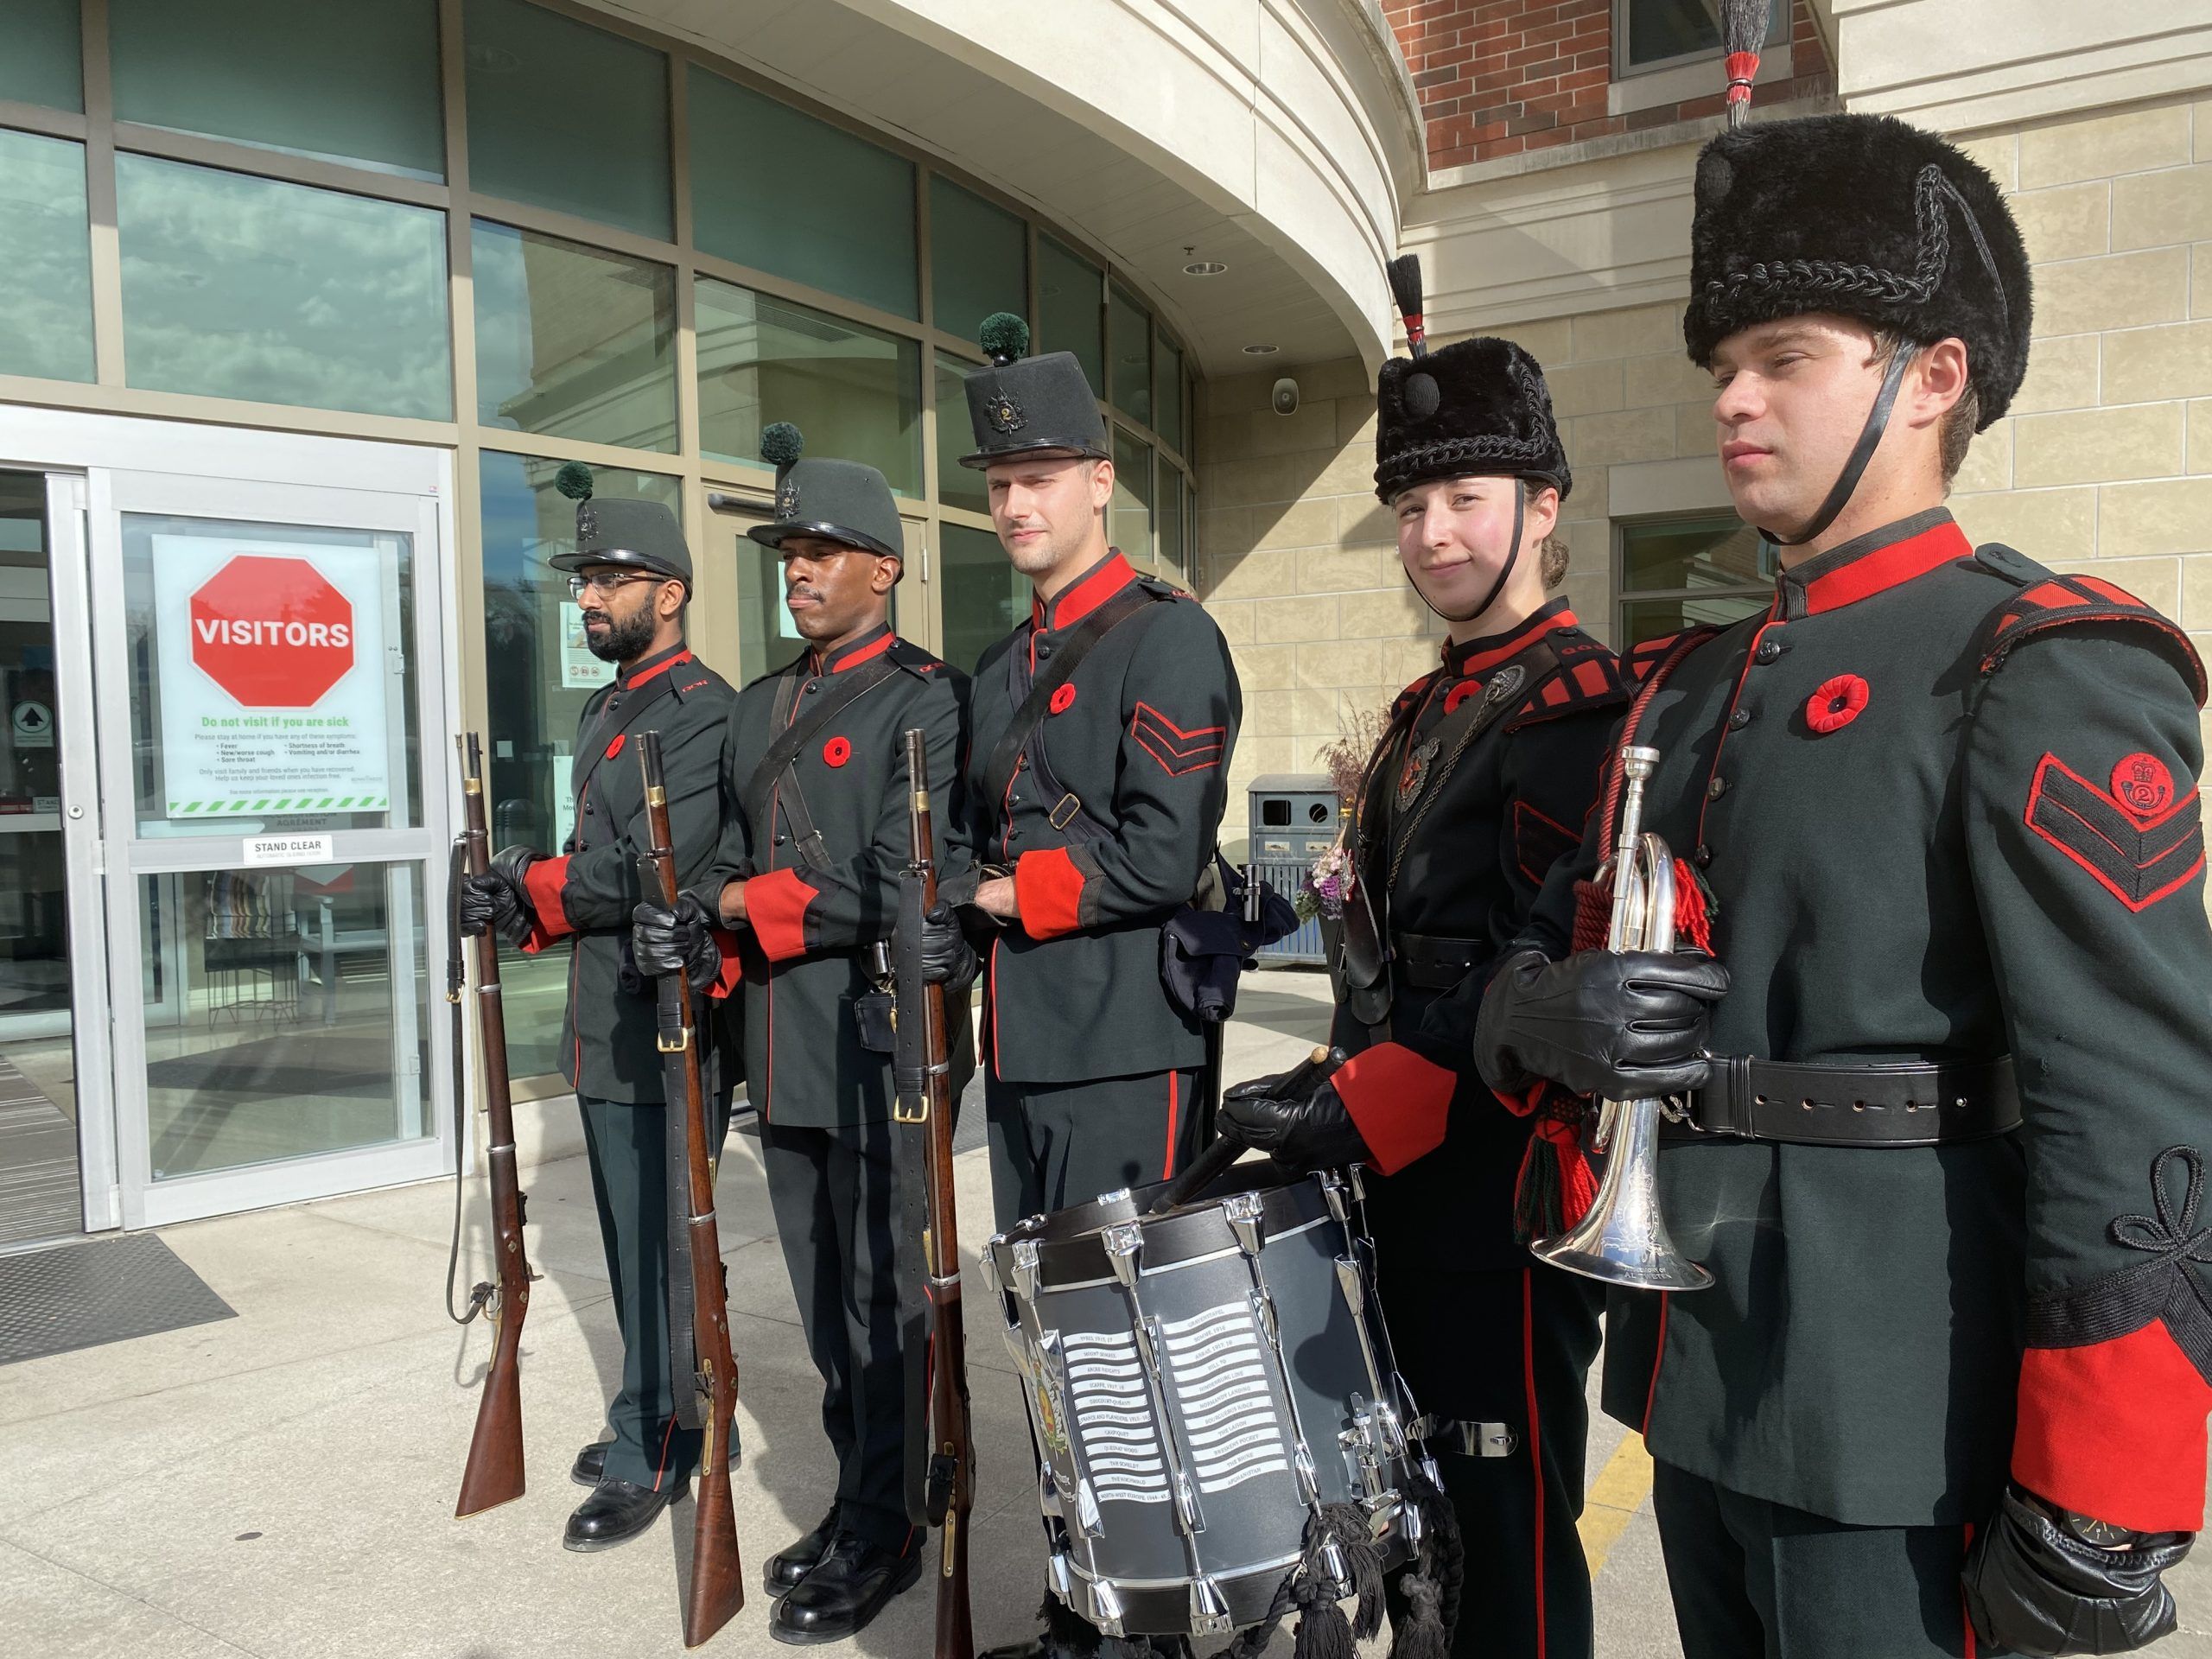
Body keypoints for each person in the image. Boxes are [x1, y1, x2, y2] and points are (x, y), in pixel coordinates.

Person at [1472, 110, 2210, 1658]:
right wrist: (1550, 1013)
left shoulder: (2033, 661)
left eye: (1786, 356)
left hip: (1901, 1401)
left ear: (1933, 376)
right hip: (1693, 1371)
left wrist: (2100, 1500)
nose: (1733, 399)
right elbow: (1539, 955)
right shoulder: (1683, 688)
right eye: (1721, 362)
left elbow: (2142, 1105)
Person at [1217, 270, 1631, 1659]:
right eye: (1411, 506)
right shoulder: (1433, 704)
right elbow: (1394, 949)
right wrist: (1330, 1083)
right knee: (1416, 1528)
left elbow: (1534, 965)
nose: (1434, 532)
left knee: (1504, 1539)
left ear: (1545, 506)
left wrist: (1369, 1099)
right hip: (1398, 1175)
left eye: (1466, 497)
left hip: (1495, 1198)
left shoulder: (1573, 707)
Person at [632, 425, 972, 1642]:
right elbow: (719, 851)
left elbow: (897, 881)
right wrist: (697, 917)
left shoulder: (928, 697)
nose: (799, 570)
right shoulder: (762, 703)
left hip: (874, 1051)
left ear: (884, 567)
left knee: (885, 1306)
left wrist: (737, 906)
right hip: (779, 1053)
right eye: (789, 553)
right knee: (826, 1309)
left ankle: (889, 1525)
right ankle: (860, 1496)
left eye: (824, 551)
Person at [941, 314, 1240, 1659]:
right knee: (1059, 1349)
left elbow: (1163, 851)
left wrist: (1011, 891)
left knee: (1144, 1347)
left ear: (1100, 481)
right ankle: (1086, 1603)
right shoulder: (1003, 665)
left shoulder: (1164, 639)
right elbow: (962, 827)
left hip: (1128, 1044)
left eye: (1041, 478)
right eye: (1000, 484)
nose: (1016, 503)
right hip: (1028, 1052)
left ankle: (1164, 1626)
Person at [457, 464, 740, 1552]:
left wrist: (533, 885)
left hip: (664, 1019)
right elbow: (590, 865)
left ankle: (660, 1439)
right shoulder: (607, 708)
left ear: (667, 592)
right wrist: (521, 902)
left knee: (668, 1242)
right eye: (581, 581)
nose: (586, 599)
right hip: (601, 1019)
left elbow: (648, 871)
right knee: (628, 1240)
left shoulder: (707, 715)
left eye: (608, 580)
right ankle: (650, 1403)